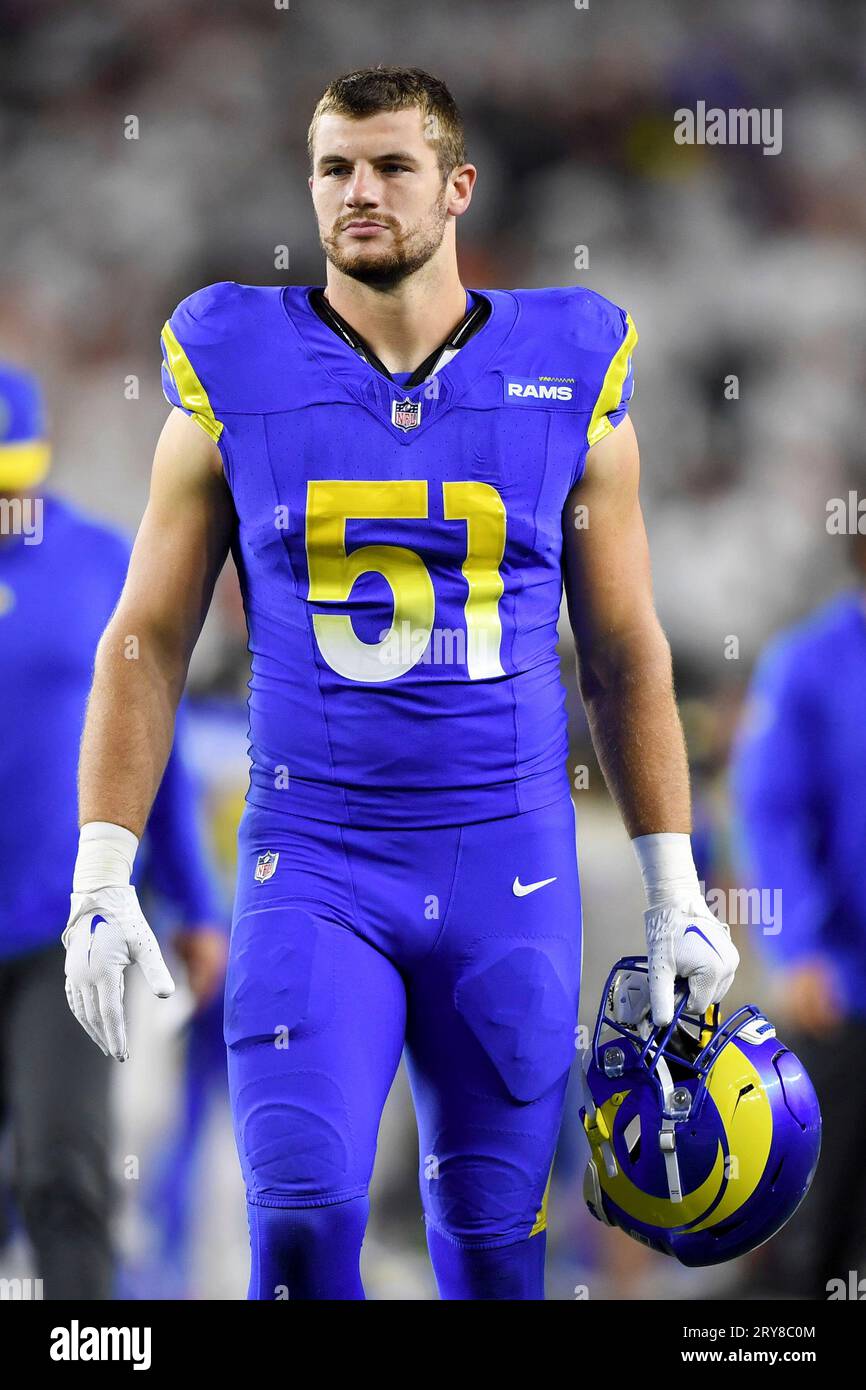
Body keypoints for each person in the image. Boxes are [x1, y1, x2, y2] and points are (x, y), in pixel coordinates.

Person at [62, 66, 738, 1301]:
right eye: (332, 168)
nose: (357, 193)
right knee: (302, 1224)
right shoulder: (232, 360)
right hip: (312, 862)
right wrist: (101, 866)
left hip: (509, 861)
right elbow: (145, 639)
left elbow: (626, 651)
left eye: (389, 166)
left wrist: (673, 884)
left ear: (457, 186)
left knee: (491, 1244)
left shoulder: (568, 364)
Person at [0, 360, 225, 1299]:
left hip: (63, 929)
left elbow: (151, 748)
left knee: (66, 1172)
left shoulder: (97, 565)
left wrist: (196, 905)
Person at [732, 529, 866, 1298]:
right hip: (844, 992)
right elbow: (771, 814)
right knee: (817, 1229)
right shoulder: (810, 665)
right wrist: (799, 949)